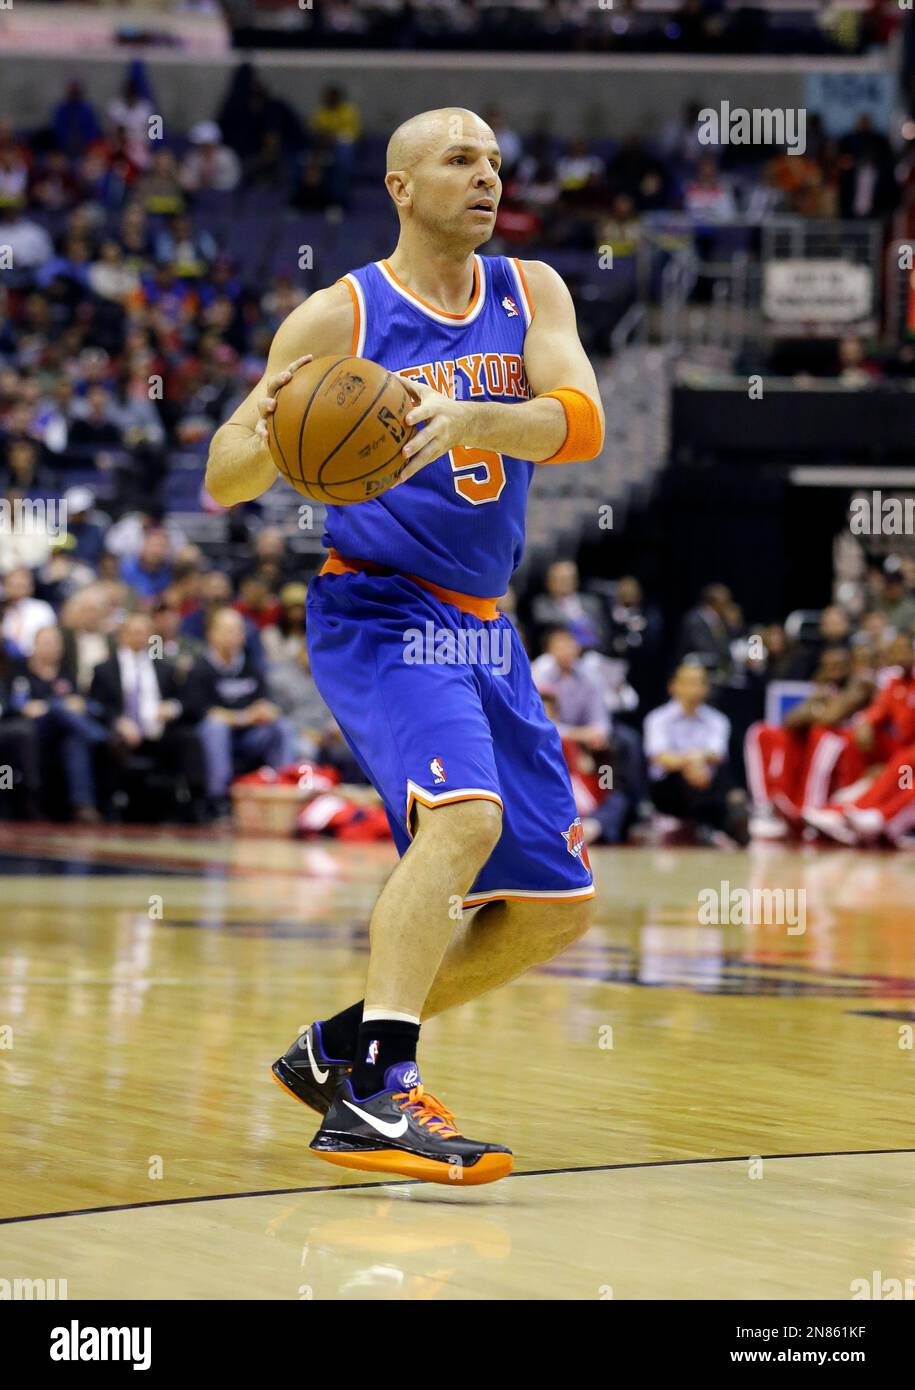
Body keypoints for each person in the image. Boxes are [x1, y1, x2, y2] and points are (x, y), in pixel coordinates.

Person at [206, 106, 605, 1185]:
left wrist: (472, 420)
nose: (487, 176)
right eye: (460, 160)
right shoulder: (338, 316)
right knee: (463, 818)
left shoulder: (533, 293)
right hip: (381, 609)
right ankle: (377, 1097)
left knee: (554, 912)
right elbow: (222, 471)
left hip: (486, 624)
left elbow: (583, 421)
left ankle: (339, 1046)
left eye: (494, 160)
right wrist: (282, 441)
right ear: (399, 185)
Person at [184, 606, 293, 818]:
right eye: (228, 630)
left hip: (249, 736)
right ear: (212, 634)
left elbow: (264, 701)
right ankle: (219, 798)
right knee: (216, 728)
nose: (235, 636)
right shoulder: (199, 668)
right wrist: (243, 717)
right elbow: (202, 712)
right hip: (213, 738)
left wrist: (267, 710)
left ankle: (283, 791)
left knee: (281, 726)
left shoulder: (251, 667)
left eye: (238, 630)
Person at [643, 662, 747, 845]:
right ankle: (707, 825)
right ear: (673, 686)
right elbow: (660, 756)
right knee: (688, 775)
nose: (695, 688)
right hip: (670, 786)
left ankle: (727, 825)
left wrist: (697, 760)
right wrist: (691, 761)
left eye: (700, 682)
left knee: (726, 784)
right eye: (689, 682)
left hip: (707, 781)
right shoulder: (657, 719)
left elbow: (717, 754)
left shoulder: (718, 720)